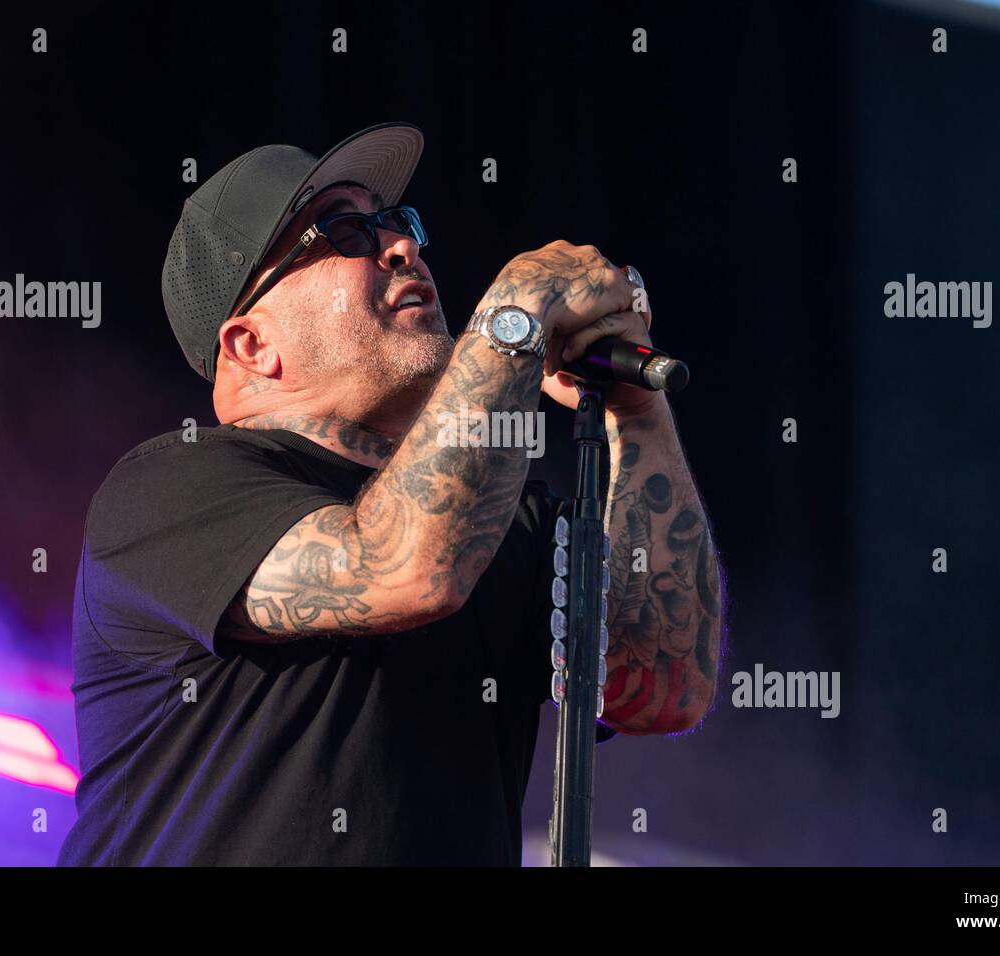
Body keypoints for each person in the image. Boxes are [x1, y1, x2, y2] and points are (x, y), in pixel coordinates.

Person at [57, 122, 722, 866]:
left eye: (395, 221)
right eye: (341, 231)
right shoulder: (170, 487)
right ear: (251, 345)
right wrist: (514, 314)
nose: (402, 245)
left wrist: (637, 414)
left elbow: (664, 687)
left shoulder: (506, 522)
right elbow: (406, 566)